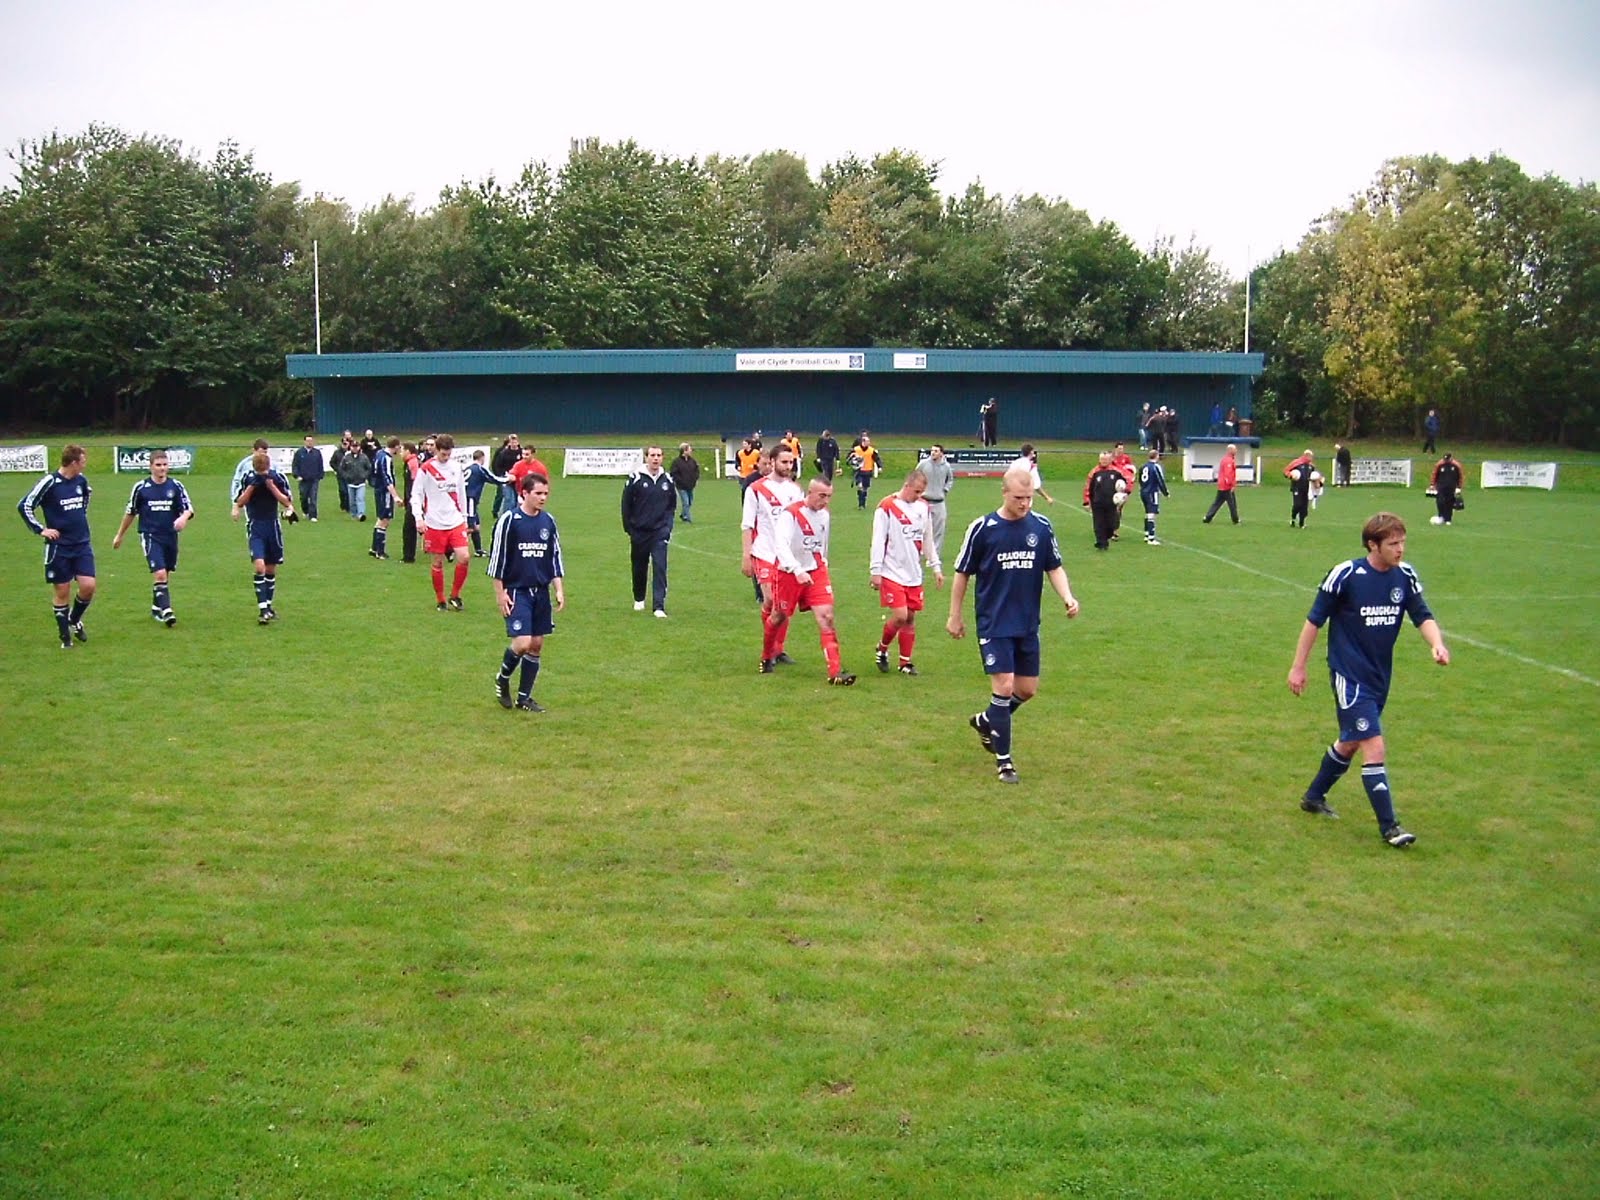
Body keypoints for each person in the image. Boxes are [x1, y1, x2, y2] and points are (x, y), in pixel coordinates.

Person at [1287, 512, 1449, 848]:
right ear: (1373, 545)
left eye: (1402, 542)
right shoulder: (1345, 575)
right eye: (1393, 543)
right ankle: (1391, 828)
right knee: (1373, 745)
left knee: (1350, 742)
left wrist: (1437, 644)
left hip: (1379, 678)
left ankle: (1313, 797)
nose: (1400, 549)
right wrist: (1298, 667)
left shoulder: (1405, 576)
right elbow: (1313, 621)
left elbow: (1422, 615)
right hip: (1349, 676)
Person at [946, 465, 1080, 785]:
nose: (1025, 504)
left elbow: (1054, 567)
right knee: (1004, 686)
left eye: (1030, 498)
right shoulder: (983, 528)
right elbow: (962, 572)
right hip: (994, 623)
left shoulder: (1041, 527)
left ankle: (986, 720)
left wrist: (1068, 597)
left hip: (1026, 623)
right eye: (1019, 498)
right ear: (1004, 492)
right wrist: (955, 615)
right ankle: (1004, 763)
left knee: (1026, 690)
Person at [488, 472, 565, 713]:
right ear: (524, 493)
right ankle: (502, 678)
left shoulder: (548, 521)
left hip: (540, 591)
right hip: (516, 590)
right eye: (538, 493)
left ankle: (524, 698)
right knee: (522, 643)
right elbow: (497, 559)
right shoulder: (509, 520)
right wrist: (500, 594)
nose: (543, 498)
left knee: (537, 644)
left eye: (545, 493)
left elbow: (555, 557)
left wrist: (559, 589)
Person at [772, 477, 856, 685]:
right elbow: (781, 546)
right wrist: (797, 569)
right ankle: (767, 655)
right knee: (779, 616)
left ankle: (835, 672)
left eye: (829, 496)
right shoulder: (790, 514)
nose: (826, 501)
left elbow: (822, 543)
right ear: (809, 492)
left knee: (826, 617)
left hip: (816, 571)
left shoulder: (825, 515)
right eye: (822, 496)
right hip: (788, 573)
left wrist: (823, 561)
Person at [17, 443, 97, 648]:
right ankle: (65, 637)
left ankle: (73, 620)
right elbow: (25, 505)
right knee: (63, 591)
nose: (85, 465)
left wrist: (79, 518)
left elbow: (86, 497)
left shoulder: (81, 481)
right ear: (73, 462)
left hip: (82, 544)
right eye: (83, 461)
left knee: (88, 586)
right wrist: (40, 529)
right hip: (59, 546)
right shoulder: (50, 482)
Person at [870, 468, 944, 675]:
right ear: (907, 485)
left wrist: (935, 566)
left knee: (910, 617)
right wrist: (875, 570)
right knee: (900, 615)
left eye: (922, 492)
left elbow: (928, 539)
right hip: (891, 571)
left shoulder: (923, 507)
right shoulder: (887, 506)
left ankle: (905, 662)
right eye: (917, 491)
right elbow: (878, 540)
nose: (919, 496)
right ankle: (882, 649)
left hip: (914, 573)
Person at [112, 449, 193, 627]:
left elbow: (189, 509)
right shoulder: (141, 488)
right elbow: (130, 513)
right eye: (158, 465)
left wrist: (182, 518)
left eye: (165, 465)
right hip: (150, 536)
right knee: (160, 573)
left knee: (166, 574)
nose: (162, 468)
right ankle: (167, 611)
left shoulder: (176, 486)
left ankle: (157, 608)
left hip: (170, 537)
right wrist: (120, 535)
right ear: (150, 466)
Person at [742, 441, 804, 671]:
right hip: (764, 552)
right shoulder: (756, 489)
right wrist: (746, 555)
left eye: (791, 462)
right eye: (784, 461)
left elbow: (800, 522)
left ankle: (778, 648)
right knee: (770, 601)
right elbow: (747, 525)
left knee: (783, 605)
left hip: (787, 556)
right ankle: (769, 649)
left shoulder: (796, 490)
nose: (788, 465)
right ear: (773, 462)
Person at [232, 449, 296, 625]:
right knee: (259, 566)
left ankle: (268, 606)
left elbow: (287, 501)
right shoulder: (248, 479)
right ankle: (262, 610)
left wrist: (270, 486)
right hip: (256, 526)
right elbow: (240, 502)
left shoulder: (276, 477)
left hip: (273, 526)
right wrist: (253, 486)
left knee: (270, 569)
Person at [412, 433, 472, 611]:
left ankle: (455, 595)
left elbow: (462, 493)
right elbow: (416, 494)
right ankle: (440, 599)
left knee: (464, 557)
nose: (446, 457)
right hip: (434, 522)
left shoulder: (456, 467)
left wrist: (465, 518)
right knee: (437, 562)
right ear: (436, 450)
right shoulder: (426, 468)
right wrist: (418, 517)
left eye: (449, 454)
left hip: (455, 520)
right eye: (443, 454)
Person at [621, 444, 676, 618]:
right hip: (639, 531)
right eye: (652, 455)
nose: (655, 458)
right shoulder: (635, 478)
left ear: (662, 458)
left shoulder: (667, 479)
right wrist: (630, 528)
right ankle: (639, 598)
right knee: (639, 566)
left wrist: (667, 526)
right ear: (646, 457)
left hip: (659, 531)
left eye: (659, 455)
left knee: (660, 566)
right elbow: (626, 504)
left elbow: (671, 505)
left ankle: (659, 606)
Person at [915, 443, 956, 561]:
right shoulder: (923, 464)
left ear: (941, 453)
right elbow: (915, 476)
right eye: (932, 450)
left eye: (936, 451)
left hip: (939, 502)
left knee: (938, 530)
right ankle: (921, 551)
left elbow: (950, 480)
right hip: (924, 501)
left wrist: (945, 490)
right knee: (921, 528)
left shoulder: (946, 466)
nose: (933, 453)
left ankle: (934, 556)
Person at [464, 450, 508, 557]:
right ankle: (449, 547)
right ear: (482, 458)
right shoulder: (479, 469)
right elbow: (493, 479)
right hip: (470, 500)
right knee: (470, 527)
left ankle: (478, 550)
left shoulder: (468, 468)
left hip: (468, 500)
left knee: (476, 526)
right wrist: (507, 479)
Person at [369, 436, 401, 559]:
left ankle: (374, 548)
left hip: (378, 490)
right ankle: (380, 552)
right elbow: (387, 478)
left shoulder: (379, 453)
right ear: (396, 446)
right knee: (384, 520)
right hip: (385, 492)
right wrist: (395, 496)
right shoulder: (386, 458)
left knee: (380, 518)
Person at [1084, 451, 1123, 551]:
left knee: (1111, 524)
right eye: (1102, 459)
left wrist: (1124, 494)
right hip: (1097, 502)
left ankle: (1107, 536)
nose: (1104, 461)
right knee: (1099, 523)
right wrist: (1086, 501)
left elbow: (1125, 483)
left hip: (1111, 503)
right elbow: (1088, 487)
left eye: (1106, 459)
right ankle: (1101, 543)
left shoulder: (1116, 472)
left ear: (1110, 460)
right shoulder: (1094, 472)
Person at [1202, 443, 1241, 524]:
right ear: (1230, 450)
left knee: (1217, 503)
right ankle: (1236, 520)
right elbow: (1228, 473)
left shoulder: (1225, 459)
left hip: (1221, 485)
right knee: (1232, 504)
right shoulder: (1229, 461)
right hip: (1226, 486)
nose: (1236, 450)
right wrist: (1231, 485)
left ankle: (1207, 518)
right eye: (1235, 449)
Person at [290, 434, 325, 521]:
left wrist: (320, 475)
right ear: (304, 442)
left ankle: (313, 515)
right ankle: (305, 511)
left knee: (313, 497)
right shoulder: (299, 452)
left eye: (311, 441)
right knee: (303, 497)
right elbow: (295, 465)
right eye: (308, 441)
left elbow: (320, 464)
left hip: (314, 479)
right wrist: (297, 475)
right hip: (303, 479)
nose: (310, 442)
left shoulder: (317, 453)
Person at [1138, 448, 1169, 545]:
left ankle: (1147, 534)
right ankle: (1151, 538)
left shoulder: (1143, 466)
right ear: (1157, 456)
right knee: (1152, 513)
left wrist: (1143, 488)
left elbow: (1140, 479)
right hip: (1152, 492)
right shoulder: (1155, 467)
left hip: (1143, 491)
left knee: (1147, 512)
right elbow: (1160, 480)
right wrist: (1165, 492)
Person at [340, 440, 372, 522]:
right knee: (352, 501)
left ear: (359, 447)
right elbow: (342, 469)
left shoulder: (364, 457)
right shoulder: (346, 457)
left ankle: (361, 514)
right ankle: (354, 514)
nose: (355, 448)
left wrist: (364, 476)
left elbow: (369, 468)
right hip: (350, 483)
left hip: (361, 483)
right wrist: (346, 476)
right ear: (350, 447)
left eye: (356, 446)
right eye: (353, 446)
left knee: (360, 498)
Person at [231, 437, 270, 504]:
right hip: (250, 498)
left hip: (268, 498)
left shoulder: (273, 464)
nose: (263, 455)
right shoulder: (245, 464)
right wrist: (235, 502)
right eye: (260, 453)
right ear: (254, 451)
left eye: (265, 453)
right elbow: (237, 482)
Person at [491, 433, 521, 518]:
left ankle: (515, 515)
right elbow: (498, 465)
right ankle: (505, 516)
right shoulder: (503, 453)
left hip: (518, 480)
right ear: (509, 443)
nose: (514, 444)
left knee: (517, 499)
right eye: (512, 442)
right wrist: (502, 475)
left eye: (515, 442)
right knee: (508, 498)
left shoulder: (521, 453)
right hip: (506, 479)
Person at [849, 434, 882, 509]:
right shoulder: (856, 449)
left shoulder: (871, 450)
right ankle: (860, 504)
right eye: (867, 441)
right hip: (859, 471)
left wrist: (880, 467)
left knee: (865, 488)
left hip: (868, 471)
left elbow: (877, 459)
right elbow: (849, 458)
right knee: (860, 486)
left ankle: (863, 503)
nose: (869, 442)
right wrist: (852, 459)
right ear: (863, 442)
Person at [669, 442, 700, 523]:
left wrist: (695, 479)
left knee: (689, 502)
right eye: (689, 449)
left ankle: (683, 514)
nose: (691, 451)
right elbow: (673, 473)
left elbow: (696, 471)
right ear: (684, 451)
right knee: (685, 502)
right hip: (681, 486)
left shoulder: (692, 461)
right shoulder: (676, 462)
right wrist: (680, 481)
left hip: (691, 486)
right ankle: (687, 518)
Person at [1430, 452, 1463, 525]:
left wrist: (1459, 487)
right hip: (1441, 487)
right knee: (1440, 502)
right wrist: (1432, 485)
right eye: (1445, 459)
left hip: (1452, 487)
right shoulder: (1439, 464)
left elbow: (1460, 476)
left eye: (1447, 459)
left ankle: (1448, 519)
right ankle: (1441, 516)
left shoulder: (1456, 465)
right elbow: (1434, 474)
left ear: (1451, 458)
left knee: (1449, 503)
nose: (1446, 461)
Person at [1286, 450, 1315, 528]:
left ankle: (1302, 523)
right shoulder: (1296, 463)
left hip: (1306, 488)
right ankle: (1293, 518)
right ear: (1306, 455)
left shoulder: (1311, 466)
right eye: (1311, 456)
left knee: (1304, 507)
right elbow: (1286, 471)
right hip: (1296, 487)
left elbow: (1313, 476)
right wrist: (1291, 476)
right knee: (1297, 505)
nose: (1312, 458)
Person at [330, 434, 350, 514]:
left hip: (349, 475)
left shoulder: (350, 453)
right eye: (344, 444)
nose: (345, 446)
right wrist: (337, 469)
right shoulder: (337, 453)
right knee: (343, 490)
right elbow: (332, 462)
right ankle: (343, 505)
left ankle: (348, 507)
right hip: (340, 475)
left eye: (346, 444)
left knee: (348, 491)